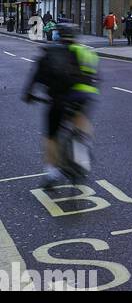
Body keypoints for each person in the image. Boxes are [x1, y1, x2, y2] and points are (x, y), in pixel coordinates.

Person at [22, 21, 98, 185]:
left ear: (58, 36)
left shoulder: (49, 52)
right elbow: (92, 77)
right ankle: (83, 145)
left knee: (51, 136)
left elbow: (35, 76)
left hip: (58, 100)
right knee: (81, 118)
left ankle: (51, 173)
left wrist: (29, 94)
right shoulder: (84, 51)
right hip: (82, 97)